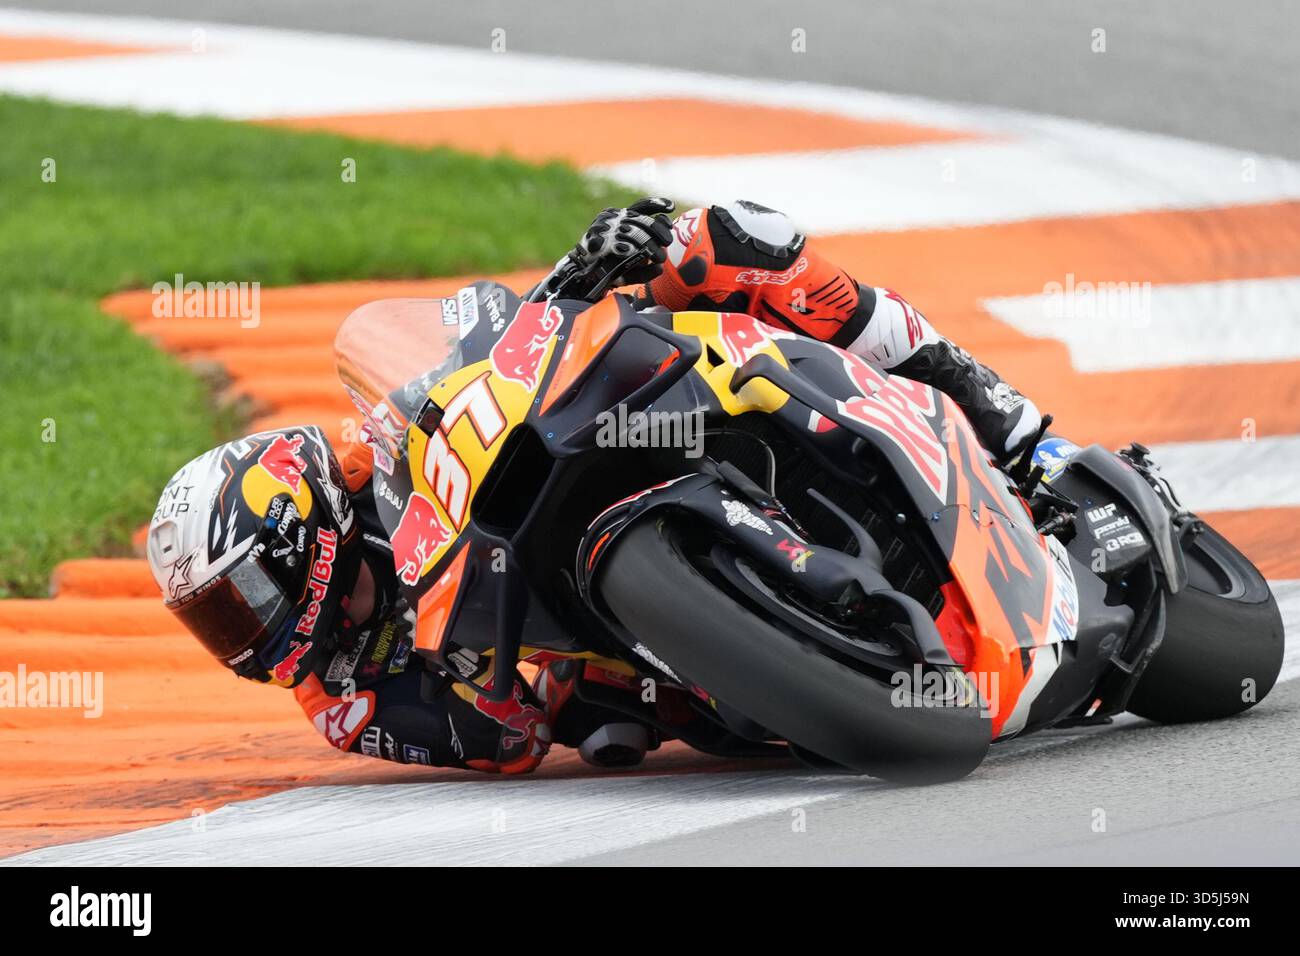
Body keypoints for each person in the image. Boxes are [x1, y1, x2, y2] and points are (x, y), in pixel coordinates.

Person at [146, 197, 1043, 774]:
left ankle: (1012, 428)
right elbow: (509, 739)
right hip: (618, 666)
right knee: (607, 720)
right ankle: (815, 652)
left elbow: (480, 353)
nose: (238, 633)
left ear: (297, 530)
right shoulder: (342, 699)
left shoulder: (376, 450)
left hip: (588, 442)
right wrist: (464, 671)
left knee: (723, 246)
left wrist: (586, 264)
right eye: (215, 621)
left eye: (238, 599)